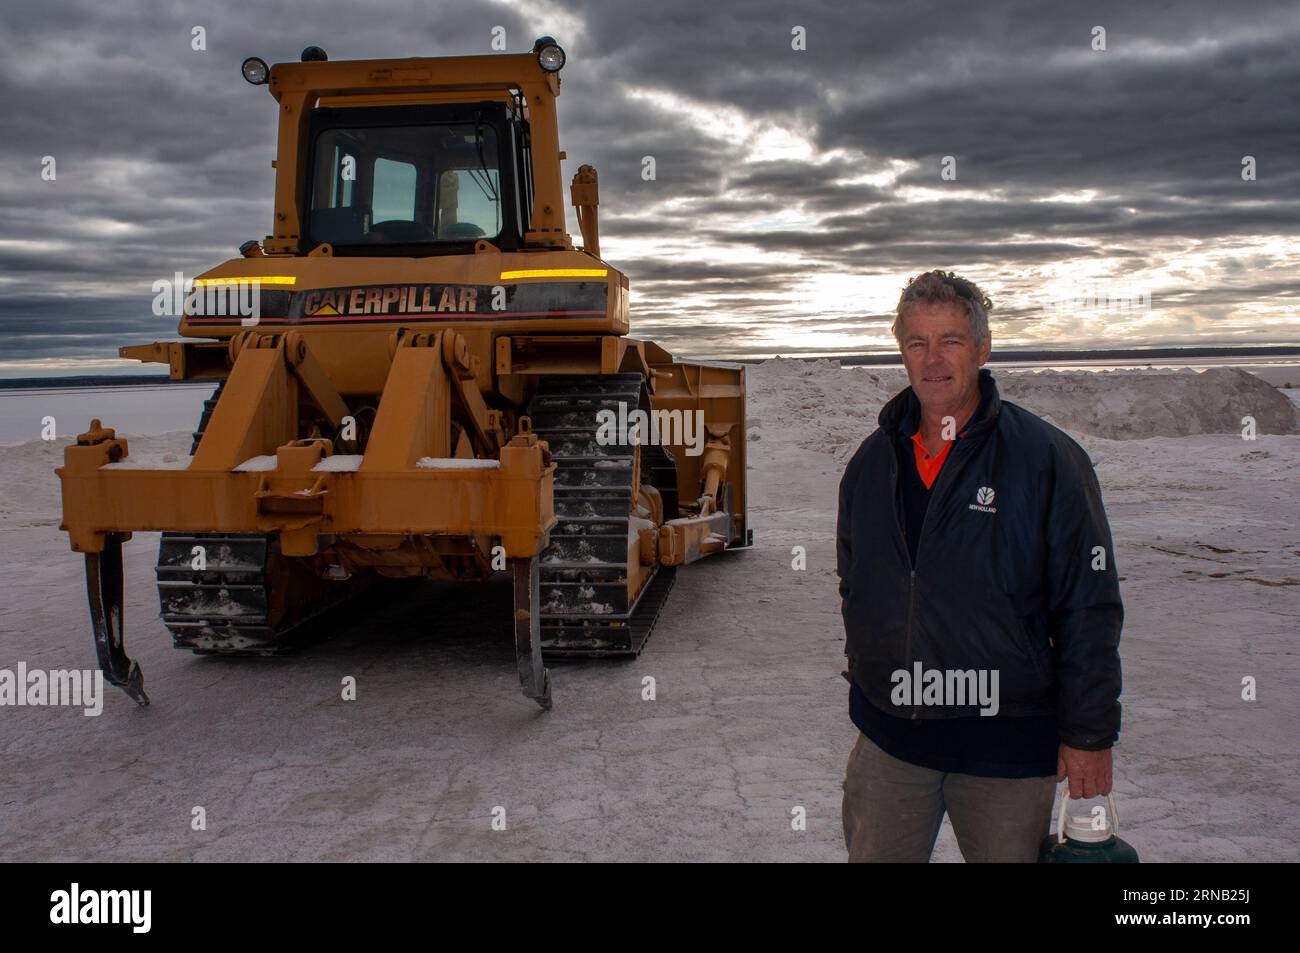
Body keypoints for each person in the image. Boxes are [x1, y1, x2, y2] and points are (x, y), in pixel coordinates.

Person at [836, 270, 1123, 863]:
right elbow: (854, 578)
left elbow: (1087, 604)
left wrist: (1089, 734)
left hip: (1006, 748)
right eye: (917, 342)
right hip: (893, 740)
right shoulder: (873, 461)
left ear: (983, 348)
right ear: (901, 350)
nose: (932, 359)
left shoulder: (1045, 459)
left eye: (951, 340)